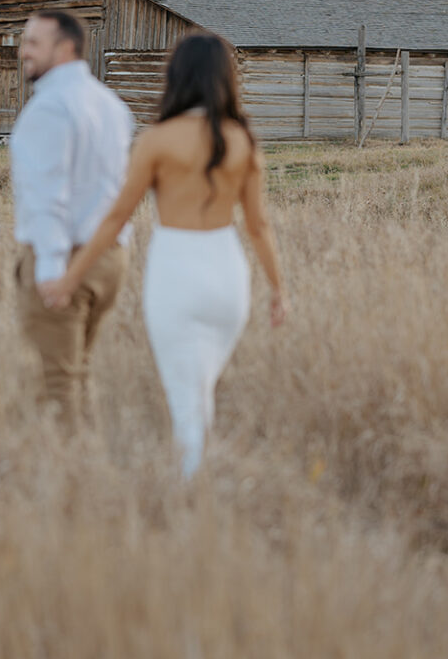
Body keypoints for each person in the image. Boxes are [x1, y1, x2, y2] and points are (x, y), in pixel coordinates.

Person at [41, 33, 286, 475]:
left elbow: (116, 218)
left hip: (177, 273)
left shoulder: (157, 141)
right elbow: (258, 226)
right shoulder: (242, 140)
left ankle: (191, 492)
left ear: (176, 77)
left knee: (186, 400)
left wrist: (70, 278)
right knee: (200, 391)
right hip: (228, 278)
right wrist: (279, 289)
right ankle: (204, 478)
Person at [9, 10, 135, 430]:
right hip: (109, 258)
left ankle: (68, 462)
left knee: (55, 385)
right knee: (78, 369)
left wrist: (50, 270)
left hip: (67, 259)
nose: (23, 51)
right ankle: (89, 453)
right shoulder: (111, 105)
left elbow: (49, 196)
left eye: (33, 43)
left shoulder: (49, 108)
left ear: (64, 48)